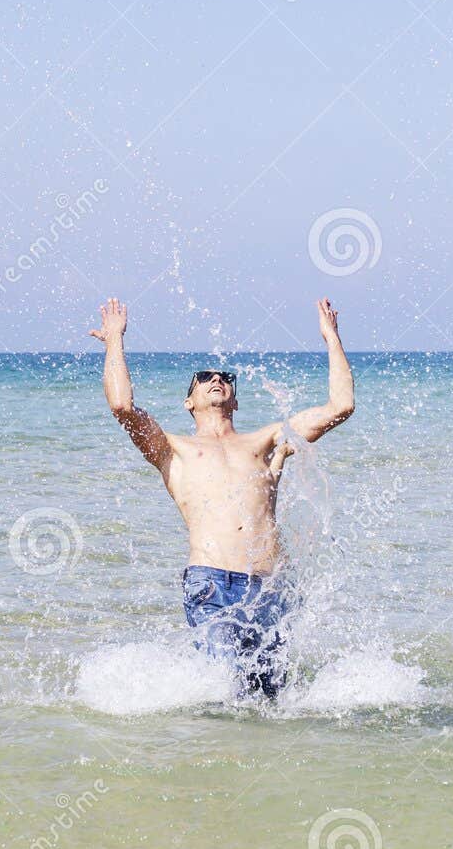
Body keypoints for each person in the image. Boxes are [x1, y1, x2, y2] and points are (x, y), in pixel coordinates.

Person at [89, 296, 355, 699]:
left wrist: (331, 337)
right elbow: (122, 406)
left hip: (270, 588)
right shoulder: (172, 448)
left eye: (226, 377)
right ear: (189, 401)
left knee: (273, 700)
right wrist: (114, 341)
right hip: (210, 585)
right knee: (226, 690)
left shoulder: (268, 441)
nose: (218, 379)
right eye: (205, 376)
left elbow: (341, 406)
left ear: (235, 398)